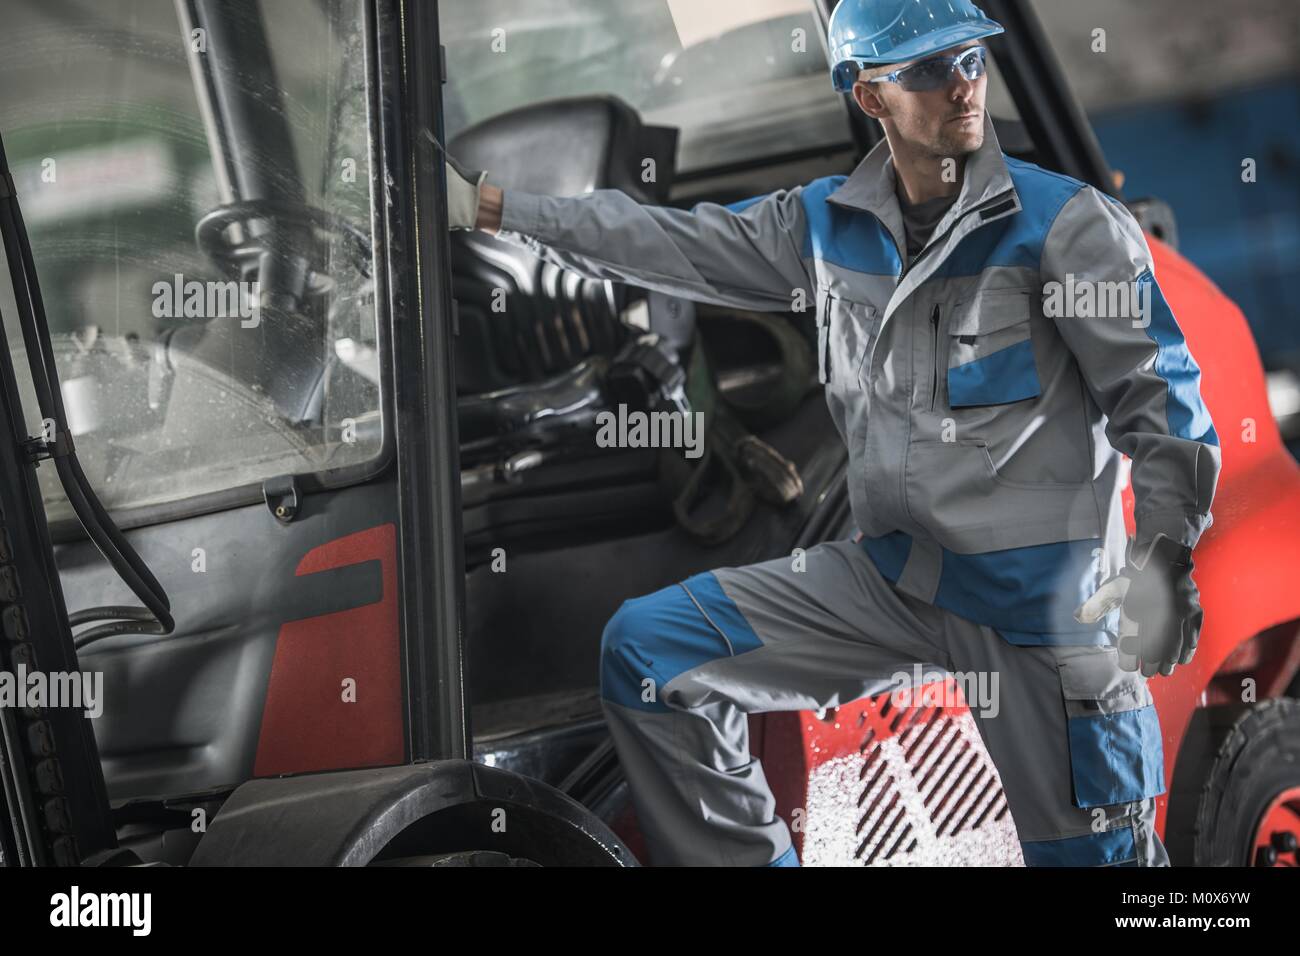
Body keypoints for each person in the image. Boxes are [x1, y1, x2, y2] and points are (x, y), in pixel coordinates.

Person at [443, 0, 1220, 867]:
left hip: (1044, 611)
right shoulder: (821, 227)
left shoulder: (1069, 231)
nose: (963, 85)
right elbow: (662, 242)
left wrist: (1163, 556)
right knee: (652, 654)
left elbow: (1162, 406)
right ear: (868, 96)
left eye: (969, 59)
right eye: (927, 70)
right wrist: (493, 209)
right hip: (892, 581)